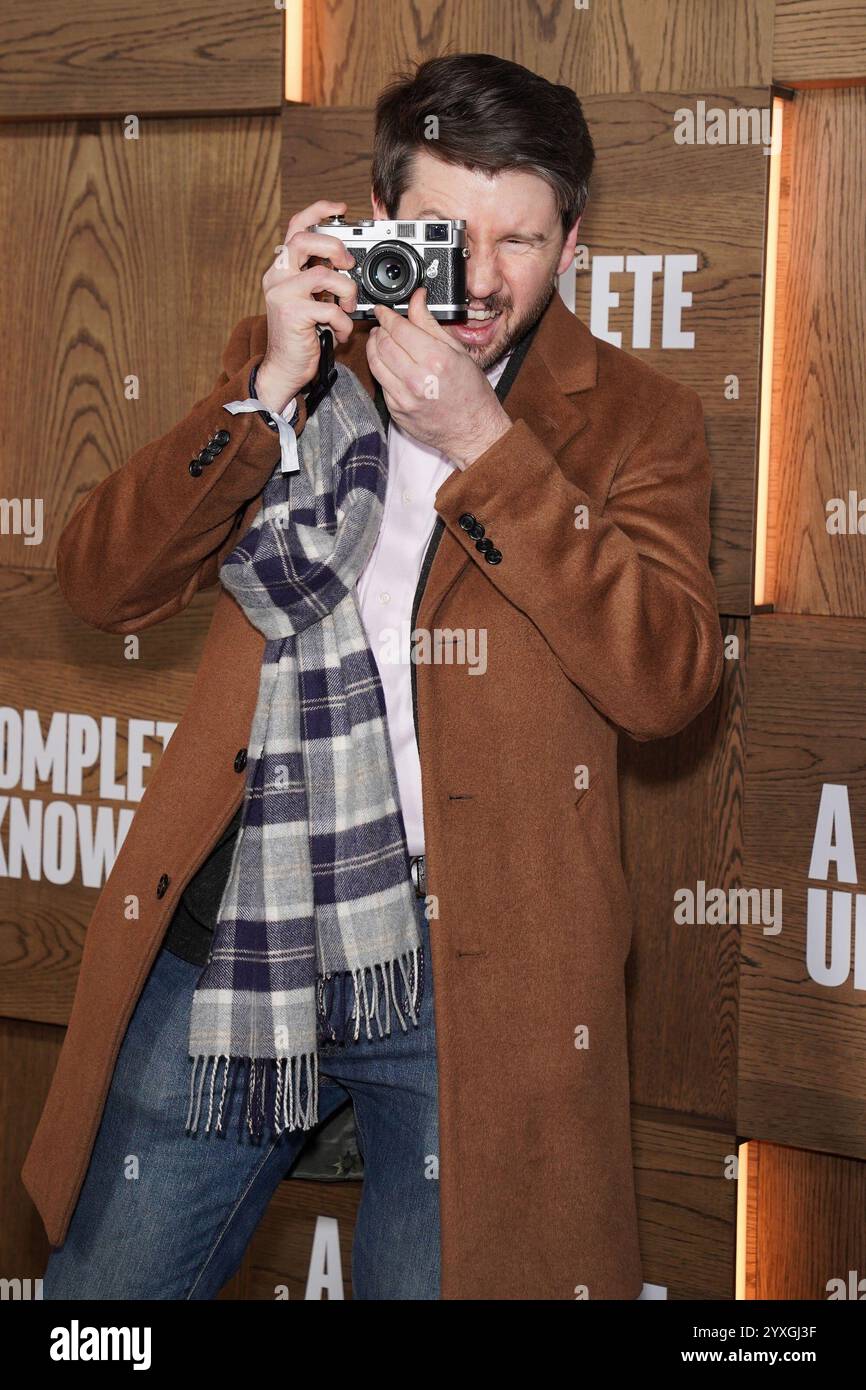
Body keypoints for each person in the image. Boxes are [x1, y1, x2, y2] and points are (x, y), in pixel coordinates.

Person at [26, 52, 724, 1301]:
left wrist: (483, 445)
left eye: (521, 239)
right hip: (238, 935)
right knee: (101, 1312)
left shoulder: (635, 421)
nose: (483, 279)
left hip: (478, 973)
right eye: (448, 234)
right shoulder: (298, 359)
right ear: (380, 216)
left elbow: (667, 683)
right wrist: (260, 397)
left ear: (574, 244)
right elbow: (102, 585)